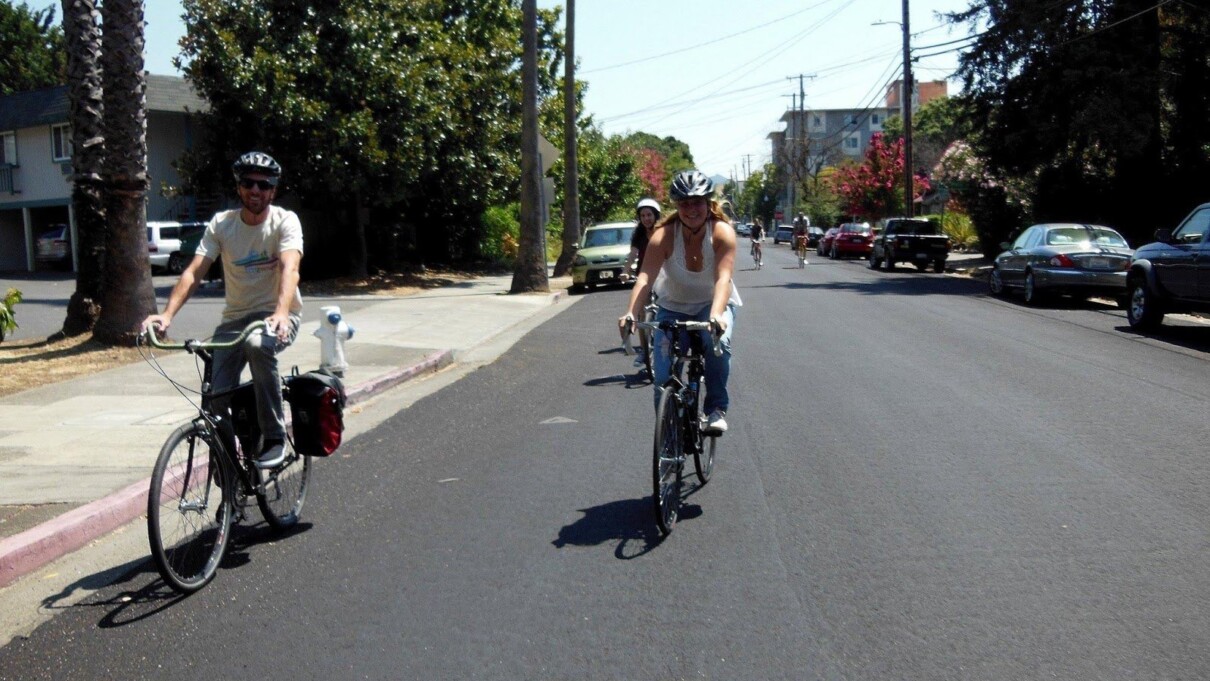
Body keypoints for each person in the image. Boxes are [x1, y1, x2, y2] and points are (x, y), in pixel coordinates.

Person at [142, 151, 304, 469]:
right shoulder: (222, 225)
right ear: (239, 187)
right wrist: (167, 315)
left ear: (273, 190)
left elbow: (290, 268)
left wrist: (282, 311)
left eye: (263, 184)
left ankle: (274, 436)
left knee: (259, 344)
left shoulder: (285, 221)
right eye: (248, 183)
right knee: (216, 398)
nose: (255, 190)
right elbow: (194, 272)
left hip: (277, 317)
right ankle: (230, 475)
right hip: (234, 321)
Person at [619, 170, 742, 434]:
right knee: (662, 378)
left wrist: (717, 315)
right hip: (672, 307)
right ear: (676, 206)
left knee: (717, 342)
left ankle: (715, 409)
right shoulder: (663, 235)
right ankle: (668, 436)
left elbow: (723, 280)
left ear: (708, 203)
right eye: (684, 203)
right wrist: (631, 313)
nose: (691, 209)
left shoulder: (722, 233)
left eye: (697, 202)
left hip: (713, 305)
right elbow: (644, 279)